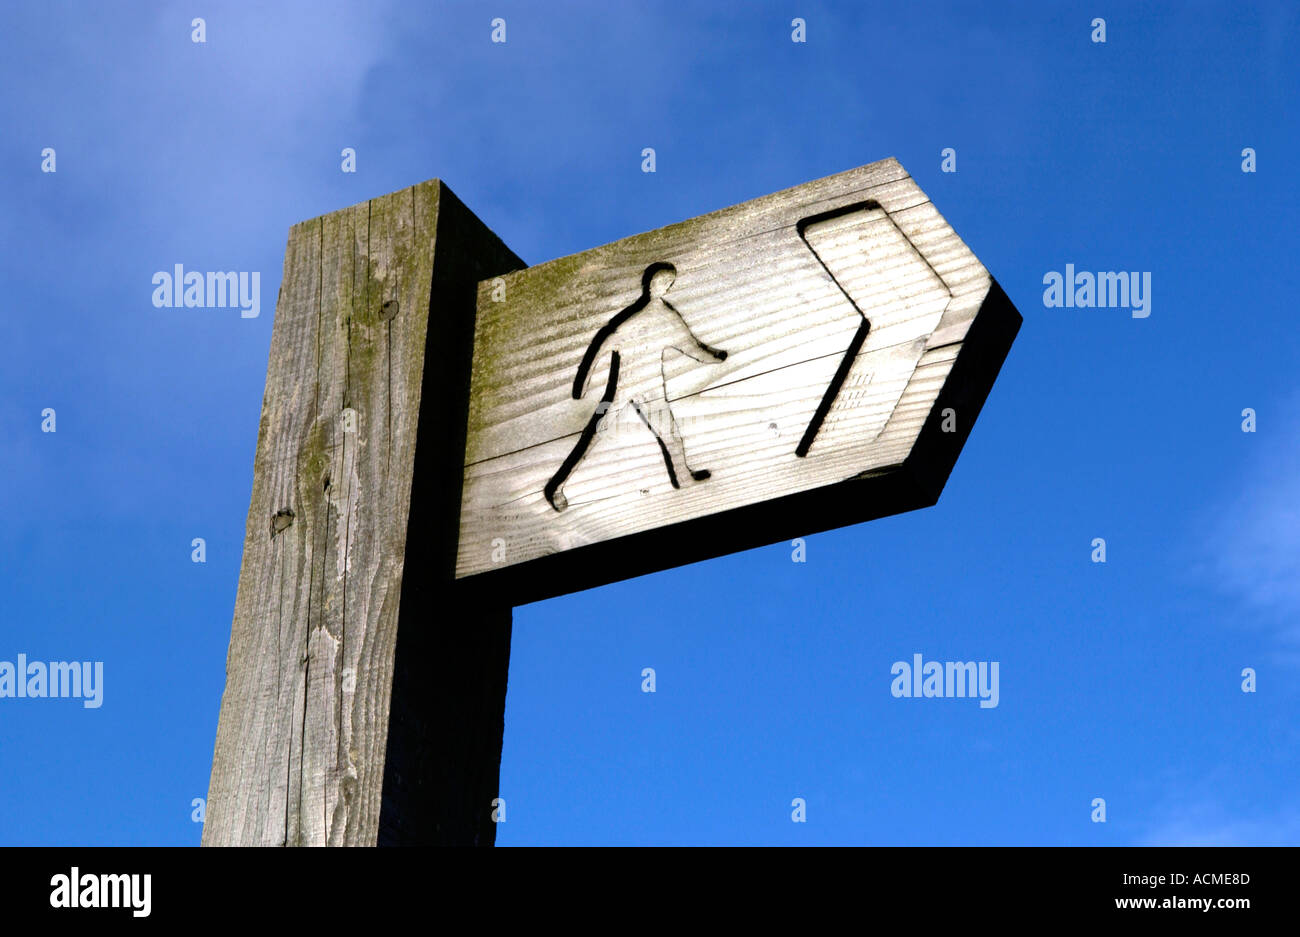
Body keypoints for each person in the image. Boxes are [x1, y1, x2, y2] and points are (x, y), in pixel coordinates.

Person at [544, 262, 727, 512]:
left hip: (652, 390)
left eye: (665, 283)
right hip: (623, 390)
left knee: (671, 435)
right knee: (594, 435)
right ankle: (557, 486)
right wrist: (582, 385)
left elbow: (693, 348)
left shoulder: (668, 318)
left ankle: (683, 478)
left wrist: (716, 357)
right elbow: (604, 345)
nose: (659, 286)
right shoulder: (634, 320)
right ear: (649, 284)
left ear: (668, 287)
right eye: (658, 282)